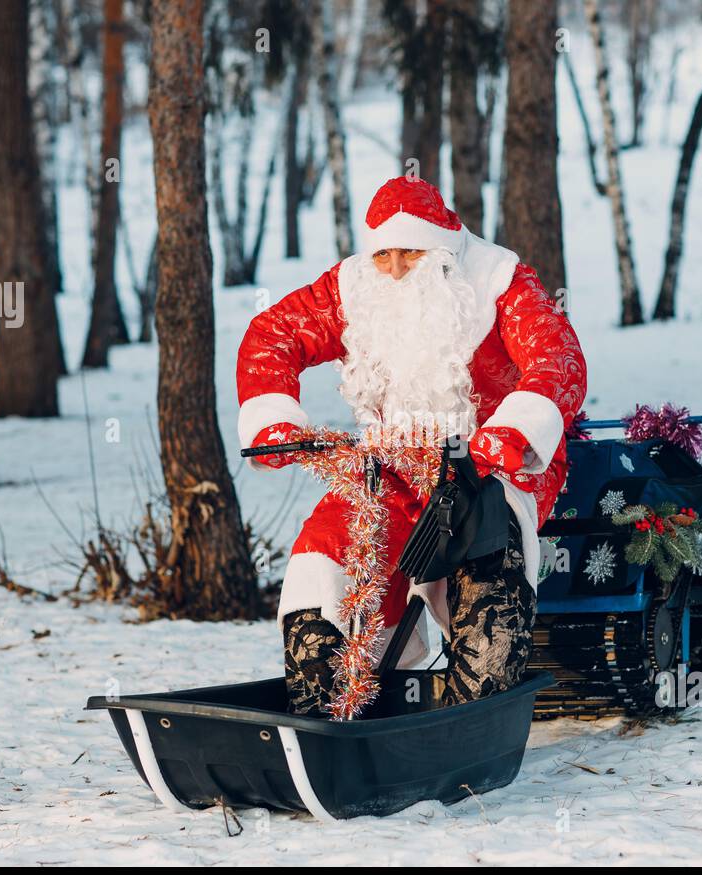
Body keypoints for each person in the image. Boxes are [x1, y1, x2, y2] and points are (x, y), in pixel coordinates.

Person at [237, 176, 586, 717]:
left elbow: (556, 358)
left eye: (411, 253)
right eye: (384, 255)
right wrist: (274, 417)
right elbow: (273, 335)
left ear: (441, 248)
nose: (396, 269)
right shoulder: (353, 286)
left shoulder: (498, 280)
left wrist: (513, 430)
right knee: (322, 565)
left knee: (486, 577)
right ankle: (331, 710)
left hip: (490, 465)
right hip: (388, 467)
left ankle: (479, 715)